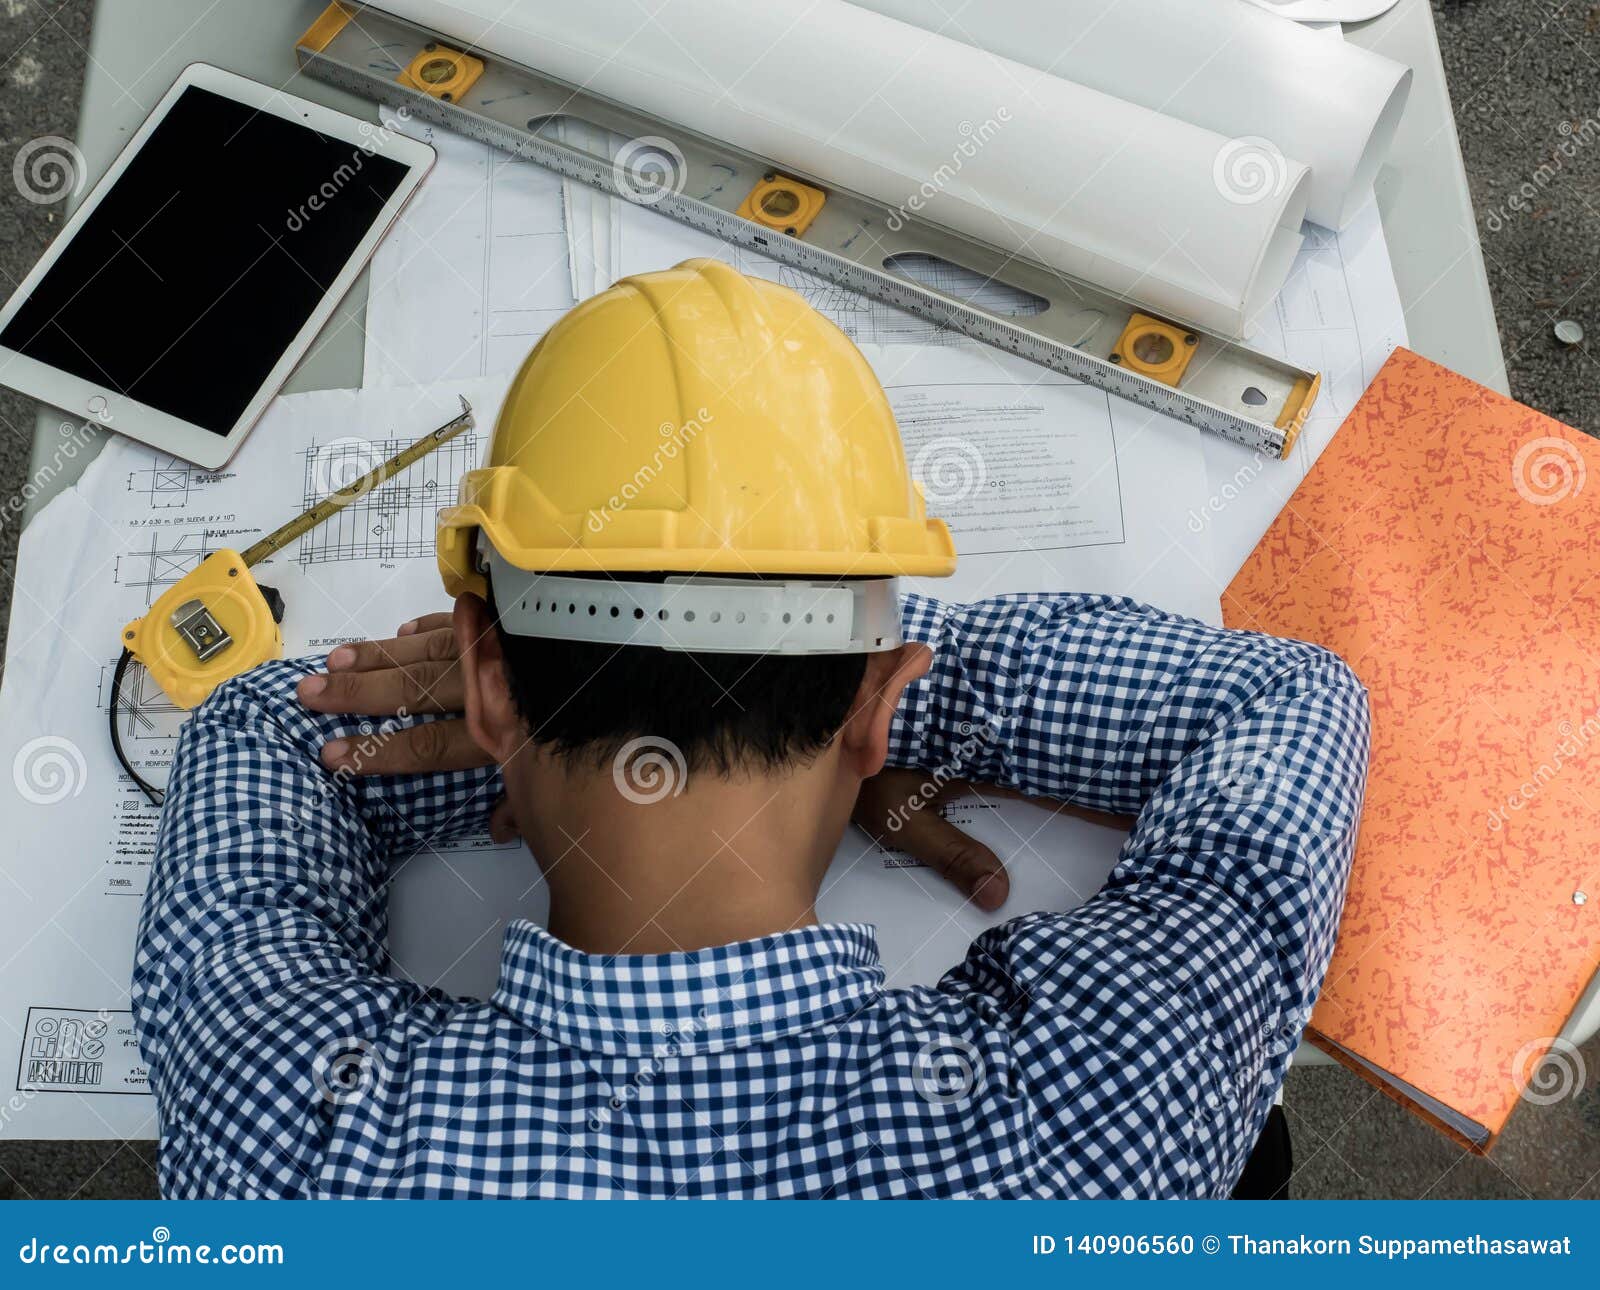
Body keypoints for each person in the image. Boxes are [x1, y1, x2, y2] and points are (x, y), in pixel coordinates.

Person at [132, 261, 1369, 1198]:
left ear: (489, 682)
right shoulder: (1094, 1127)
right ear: (879, 712)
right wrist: (825, 673)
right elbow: (1288, 705)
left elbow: (260, 727)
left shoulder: (287, 1137)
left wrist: (564, 687)